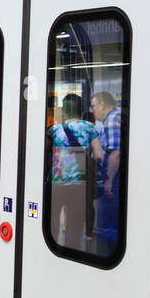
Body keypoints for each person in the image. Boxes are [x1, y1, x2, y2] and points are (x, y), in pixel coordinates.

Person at [49, 93, 104, 248]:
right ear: (81, 110)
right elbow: (99, 155)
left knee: (53, 222)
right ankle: (70, 253)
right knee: (74, 225)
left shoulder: (54, 129)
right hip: (79, 184)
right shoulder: (89, 127)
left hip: (57, 183)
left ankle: (51, 249)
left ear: (64, 111)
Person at [91, 91, 123, 257]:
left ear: (102, 104)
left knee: (107, 227)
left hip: (113, 180)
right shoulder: (117, 117)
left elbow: (115, 153)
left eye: (94, 106)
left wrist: (109, 181)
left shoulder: (111, 120)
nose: (92, 111)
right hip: (116, 179)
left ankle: (106, 256)